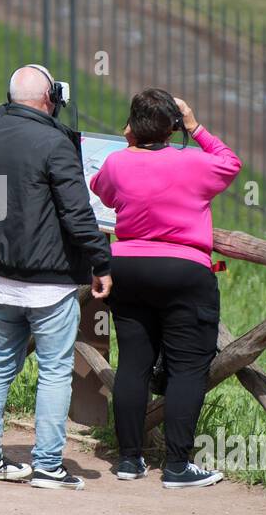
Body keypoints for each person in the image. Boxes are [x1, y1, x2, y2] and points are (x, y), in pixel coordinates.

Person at [0, 65, 112, 491]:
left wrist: (10, 109)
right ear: (50, 98)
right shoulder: (56, 141)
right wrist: (101, 261)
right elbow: (77, 212)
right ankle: (47, 465)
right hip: (50, 279)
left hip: (4, 277)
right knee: (54, 371)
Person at [90, 88, 241, 487]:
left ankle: (128, 460)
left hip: (128, 268)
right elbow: (231, 163)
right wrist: (196, 127)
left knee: (134, 363)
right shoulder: (193, 161)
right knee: (187, 368)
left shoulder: (117, 162)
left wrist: (129, 146)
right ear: (174, 126)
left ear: (132, 125)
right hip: (183, 270)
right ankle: (176, 465)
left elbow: (100, 190)